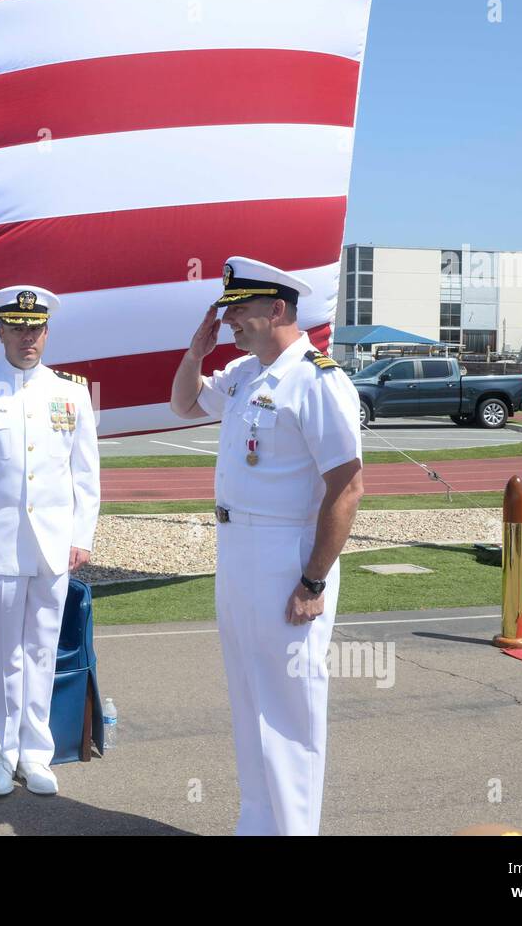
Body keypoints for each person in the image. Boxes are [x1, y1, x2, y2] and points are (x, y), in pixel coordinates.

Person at [169, 257, 364, 836]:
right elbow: (185, 403)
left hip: (286, 556)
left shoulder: (319, 379)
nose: (229, 319)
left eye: (239, 308)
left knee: (290, 710)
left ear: (275, 309)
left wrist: (313, 581)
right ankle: (258, 824)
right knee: (251, 700)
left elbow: (347, 486)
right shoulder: (245, 373)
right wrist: (194, 352)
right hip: (237, 552)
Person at [0, 285, 101, 797]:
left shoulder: (72, 393)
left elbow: (86, 474)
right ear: (1, 332)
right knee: (1, 651)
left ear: (47, 331)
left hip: (53, 545)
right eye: (17, 327)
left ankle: (36, 754)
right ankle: (0, 752)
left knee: (42, 650)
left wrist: (82, 536)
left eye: (35, 328)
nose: (27, 337)